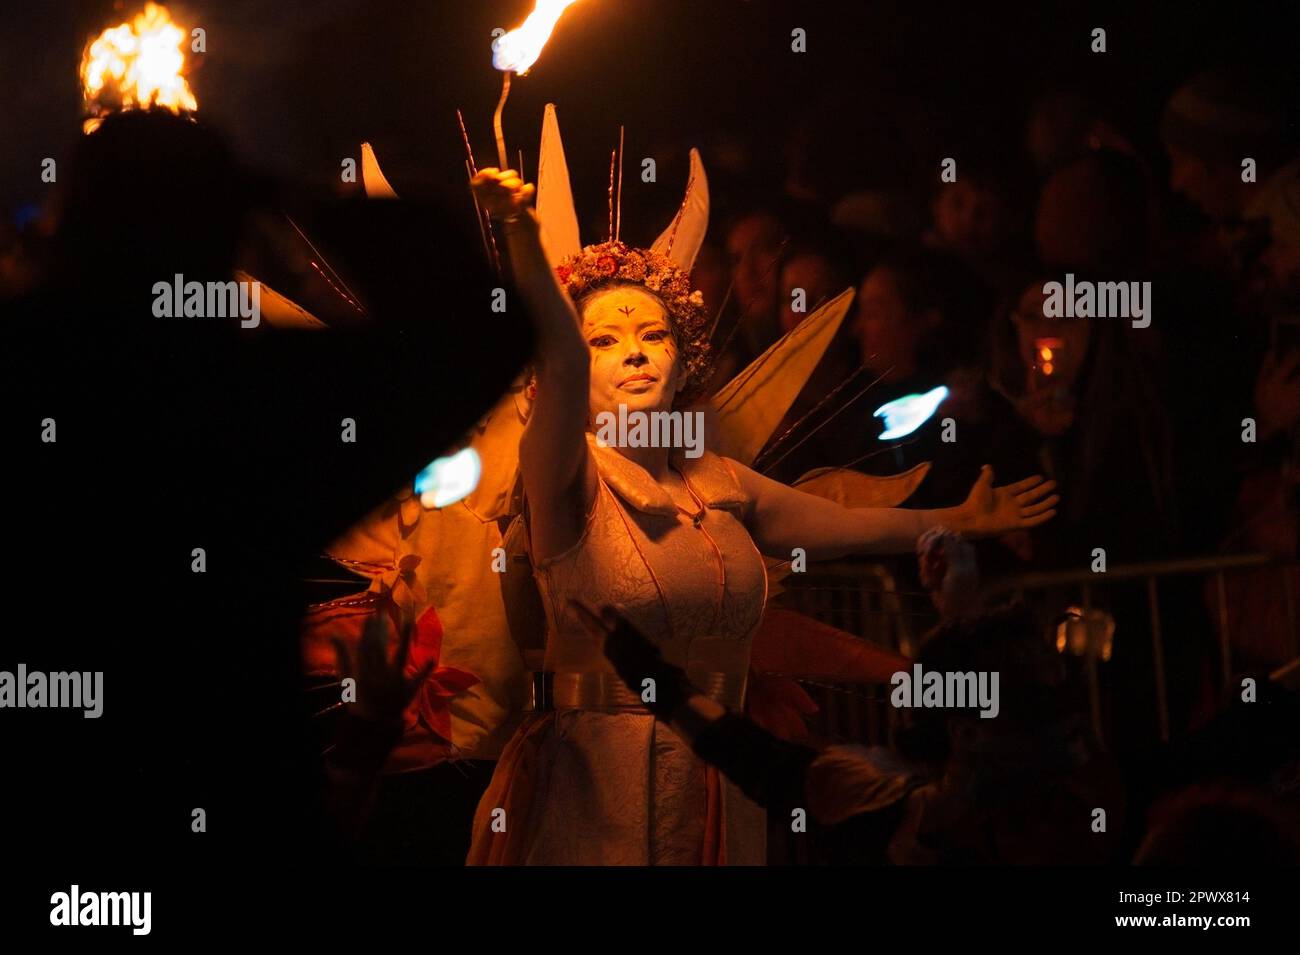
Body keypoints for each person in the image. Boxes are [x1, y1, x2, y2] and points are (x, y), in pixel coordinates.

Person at [462, 162, 1058, 865]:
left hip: (724, 774)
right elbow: (555, 359)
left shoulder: (721, 482)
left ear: (686, 362)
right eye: (604, 340)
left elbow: (843, 527)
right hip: (597, 783)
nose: (633, 352)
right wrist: (520, 238)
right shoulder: (565, 475)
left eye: (654, 336)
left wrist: (958, 517)